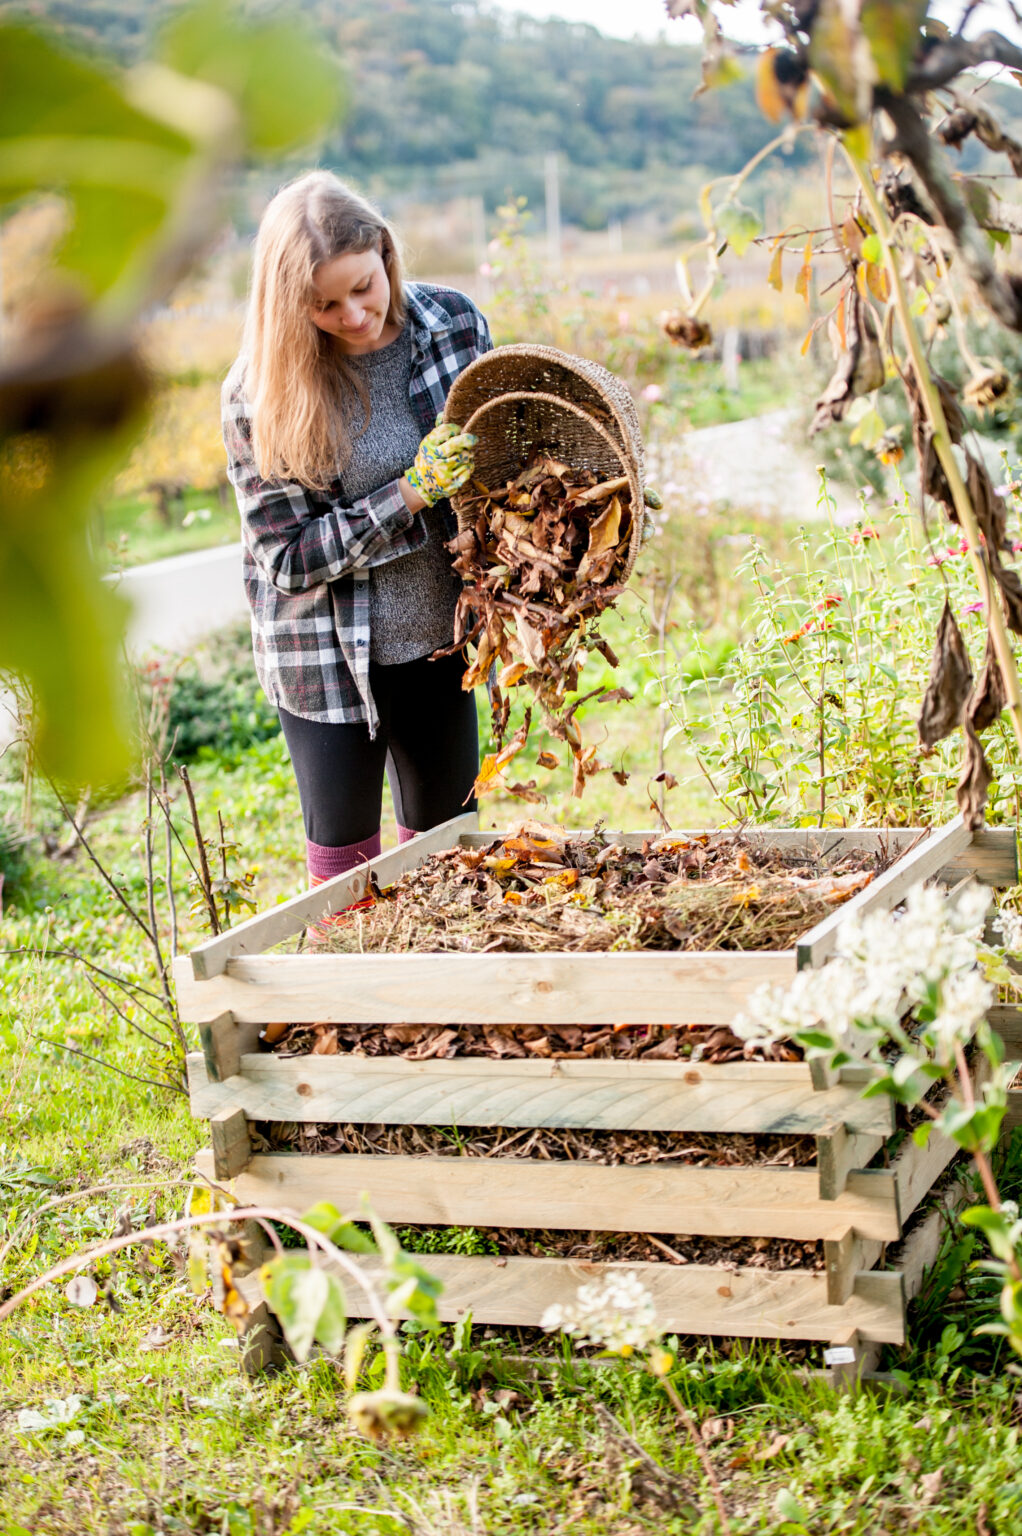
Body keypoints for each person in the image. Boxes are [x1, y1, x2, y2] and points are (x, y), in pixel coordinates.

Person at [222, 170, 490, 892]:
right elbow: (287, 557)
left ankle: (446, 1000)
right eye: (324, 305)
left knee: (450, 854)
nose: (355, 316)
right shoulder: (260, 394)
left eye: (363, 287)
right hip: (322, 656)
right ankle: (354, 1001)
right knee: (347, 872)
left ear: (386, 255)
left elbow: (500, 456)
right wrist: (407, 494)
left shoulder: (455, 325)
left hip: (440, 640)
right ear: (288, 305)